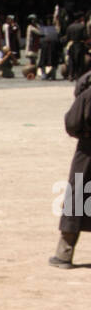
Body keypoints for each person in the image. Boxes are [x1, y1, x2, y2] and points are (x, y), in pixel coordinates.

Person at [50, 67, 91, 267]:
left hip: (87, 152)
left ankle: (64, 254)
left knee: (77, 197)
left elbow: (72, 123)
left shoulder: (87, 94)